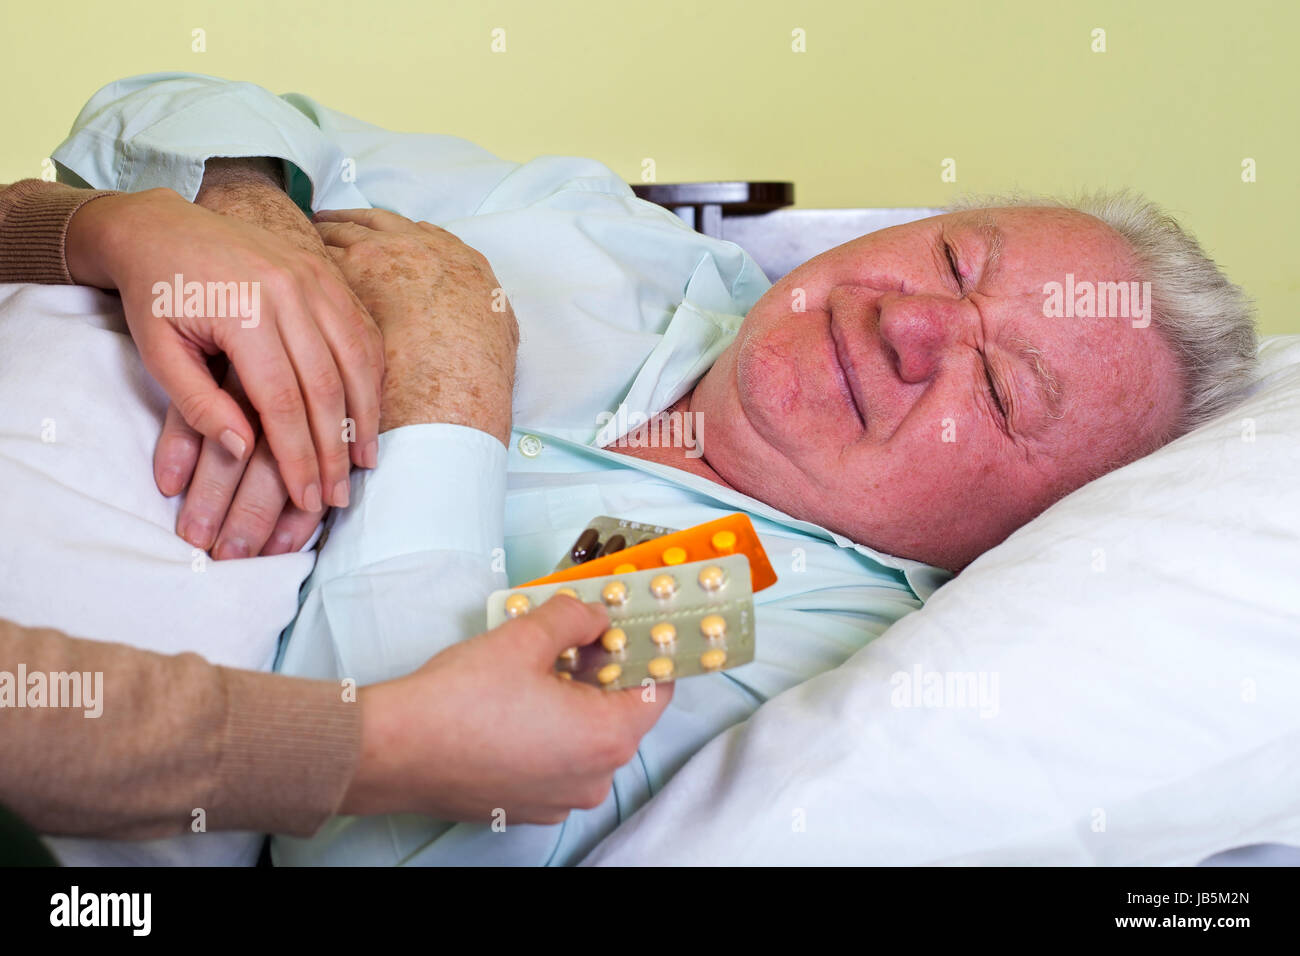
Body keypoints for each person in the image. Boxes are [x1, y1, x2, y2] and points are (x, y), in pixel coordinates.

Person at [5, 71, 1257, 865]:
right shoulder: (626, 242)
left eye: (996, 387)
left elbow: (383, 829)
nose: (914, 324)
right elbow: (186, 105)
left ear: (1004, 535)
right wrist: (249, 209)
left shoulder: (749, 606)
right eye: (951, 261)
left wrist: (447, 391)